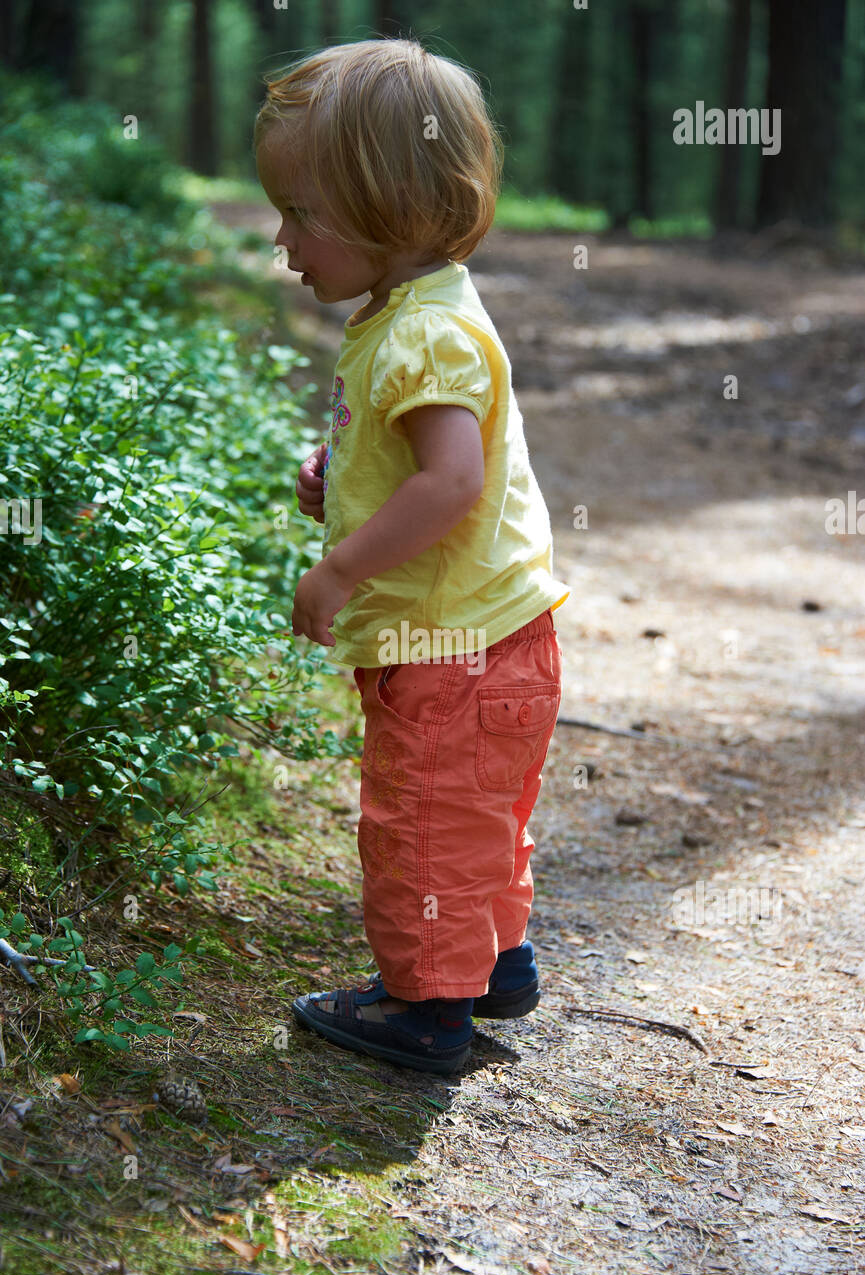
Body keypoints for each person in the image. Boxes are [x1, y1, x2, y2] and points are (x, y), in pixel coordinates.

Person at [254, 37, 570, 1076]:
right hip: (490, 632)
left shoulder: (420, 338)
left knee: (420, 823)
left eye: (301, 214)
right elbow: (418, 454)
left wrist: (340, 566)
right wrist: (337, 468)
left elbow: (449, 482)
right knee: (477, 808)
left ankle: (426, 1008)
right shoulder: (415, 311)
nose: (281, 242)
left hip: (451, 647)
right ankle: (494, 962)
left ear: (388, 205)